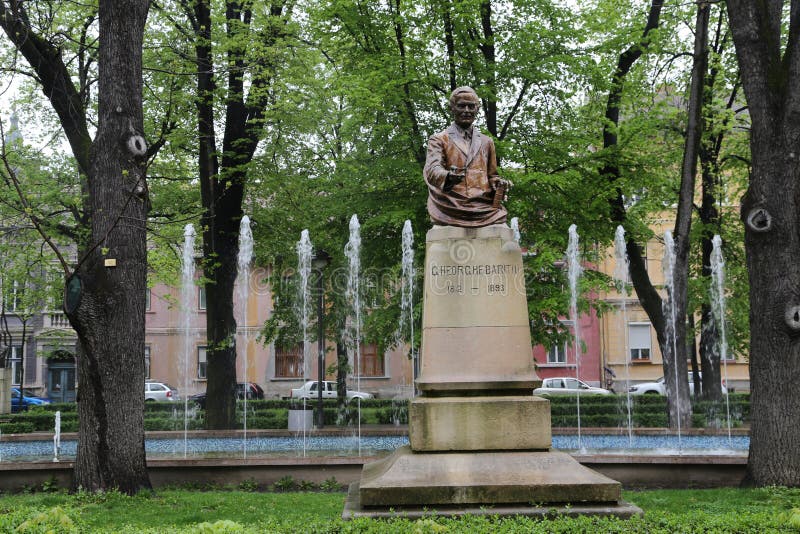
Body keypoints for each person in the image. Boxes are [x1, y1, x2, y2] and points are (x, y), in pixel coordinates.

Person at [423, 86, 511, 227]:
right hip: (451, 205)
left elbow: (492, 175)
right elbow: (432, 170)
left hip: (484, 207)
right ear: (452, 108)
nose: (466, 110)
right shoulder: (439, 139)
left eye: (471, 106)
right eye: (461, 106)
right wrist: (448, 177)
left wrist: (498, 183)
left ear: (477, 109)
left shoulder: (486, 142)